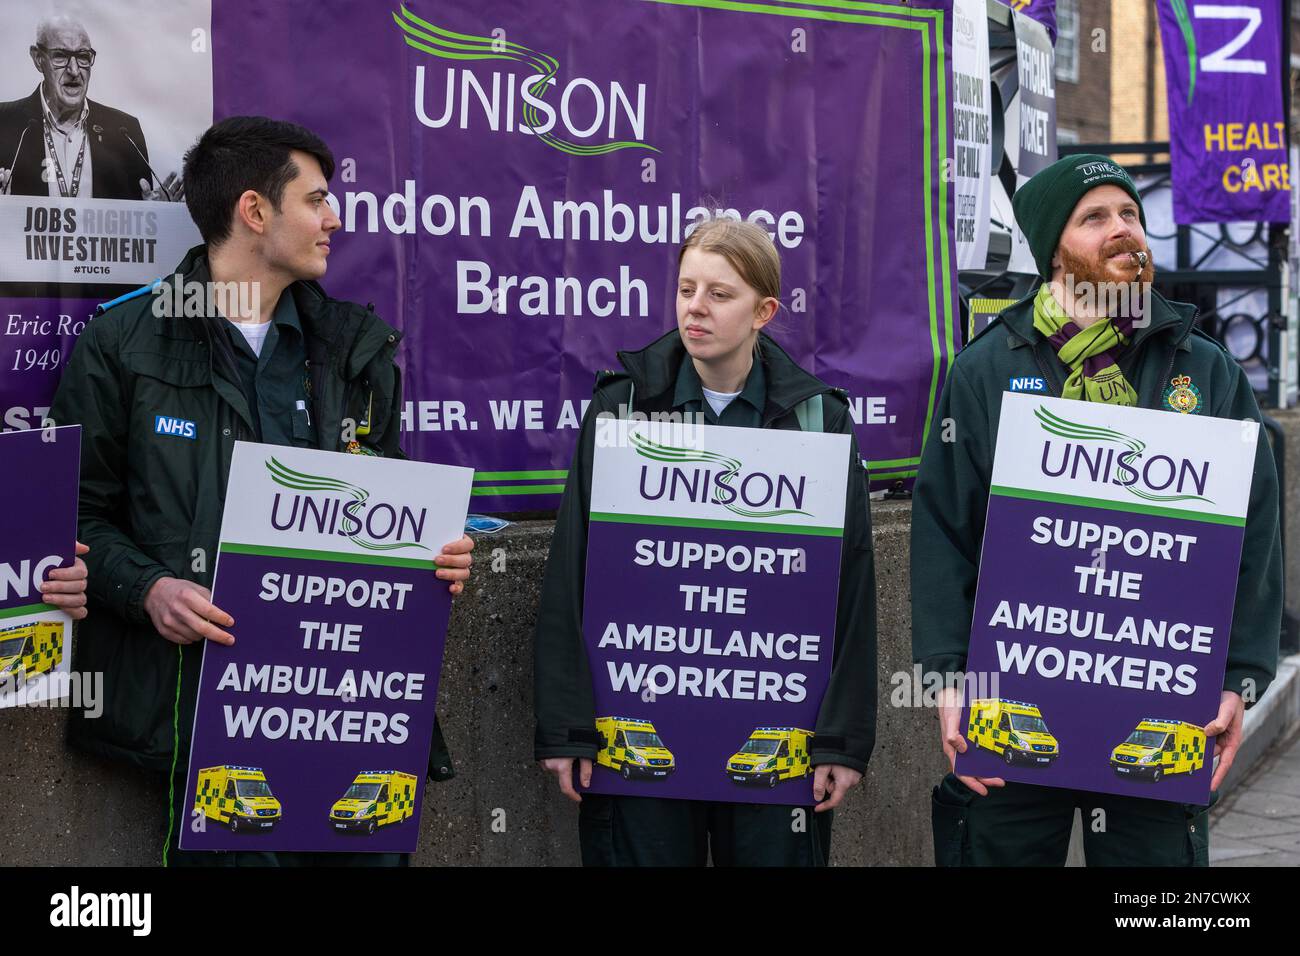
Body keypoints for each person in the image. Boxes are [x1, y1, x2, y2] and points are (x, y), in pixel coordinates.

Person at [48, 116, 474, 866]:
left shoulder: (352, 348)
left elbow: (388, 508)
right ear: (254, 211)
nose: (334, 218)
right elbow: (73, 519)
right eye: (315, 200)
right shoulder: (123, 344)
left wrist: (438, 556)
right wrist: (147, 589)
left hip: (353, 710)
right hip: (206, 718)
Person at [912, 154, 1283, 866]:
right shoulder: (986, 370)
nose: (1123, 230)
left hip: (1160, 708)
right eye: (1096, 218)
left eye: (1131, 215)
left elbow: (1255, 530)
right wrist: (948, 676)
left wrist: (1241, 677)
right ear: (1054, 248)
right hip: (1012, 705)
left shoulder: (1203, 369)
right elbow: (943, 532)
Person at [533, 218, 877, 866]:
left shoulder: (818, 421)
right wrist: (568, 727)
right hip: (637, 733)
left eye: (720, 294)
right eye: (687, 288)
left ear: (764, 311)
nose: (695, 307)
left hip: (777, 740)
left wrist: (841, 742)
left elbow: (852, 591)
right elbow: (570, 571)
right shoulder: (623, 408)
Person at [0, 14, 180, 200]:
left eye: (83, 57)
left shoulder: (125, 131)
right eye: (60, 56)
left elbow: (137, 214)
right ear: (38, 59)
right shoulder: (4, 123)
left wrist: (156, 213)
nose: (74, 71)